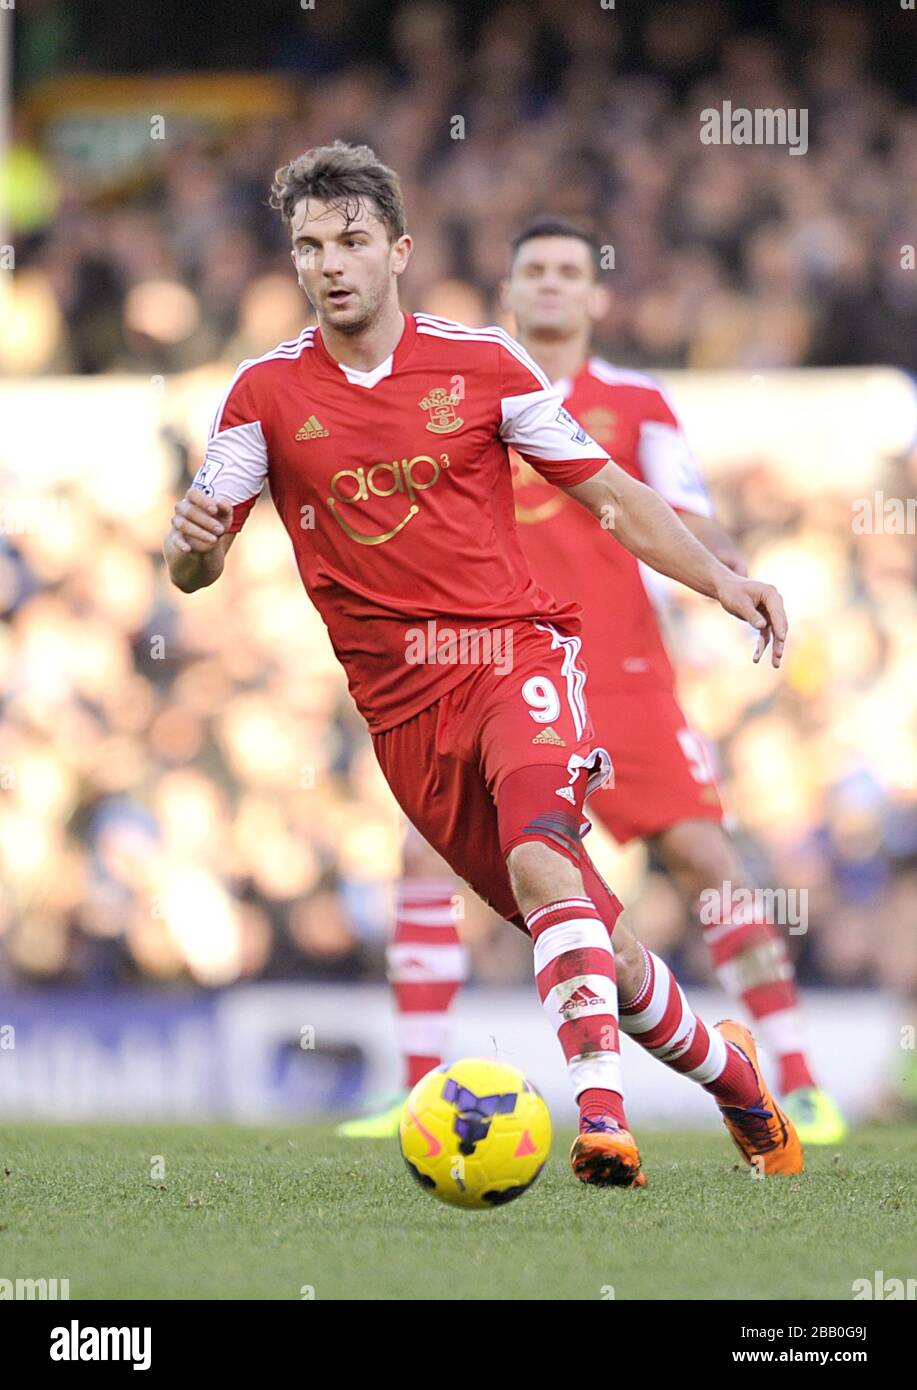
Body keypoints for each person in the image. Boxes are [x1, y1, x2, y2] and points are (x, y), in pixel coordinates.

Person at [164, 142, 800, 1185]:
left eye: (352, 241)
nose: (330, 264)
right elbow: (195, 566)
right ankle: (731, 1075)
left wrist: (720, 579)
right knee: (600, 940)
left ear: (397, 250)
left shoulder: (486, 365)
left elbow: (612, 495)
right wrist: (189, 542)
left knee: (541, 857)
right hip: (403, 715)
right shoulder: (260, 395)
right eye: (309, 245)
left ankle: (600, 1121)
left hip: (515, 655)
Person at [340, 216, 844, 1148]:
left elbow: (682, 511)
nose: (551, 286)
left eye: (570, 271)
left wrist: (730, 576)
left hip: (620, 672)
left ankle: (800, 1081)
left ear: (596, 295)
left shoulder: (636, 403)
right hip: (494, 670)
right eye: (533, 270)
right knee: (425, 859)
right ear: (508, 292)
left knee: (703, 858)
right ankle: (417, 1086)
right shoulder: (463, 392)